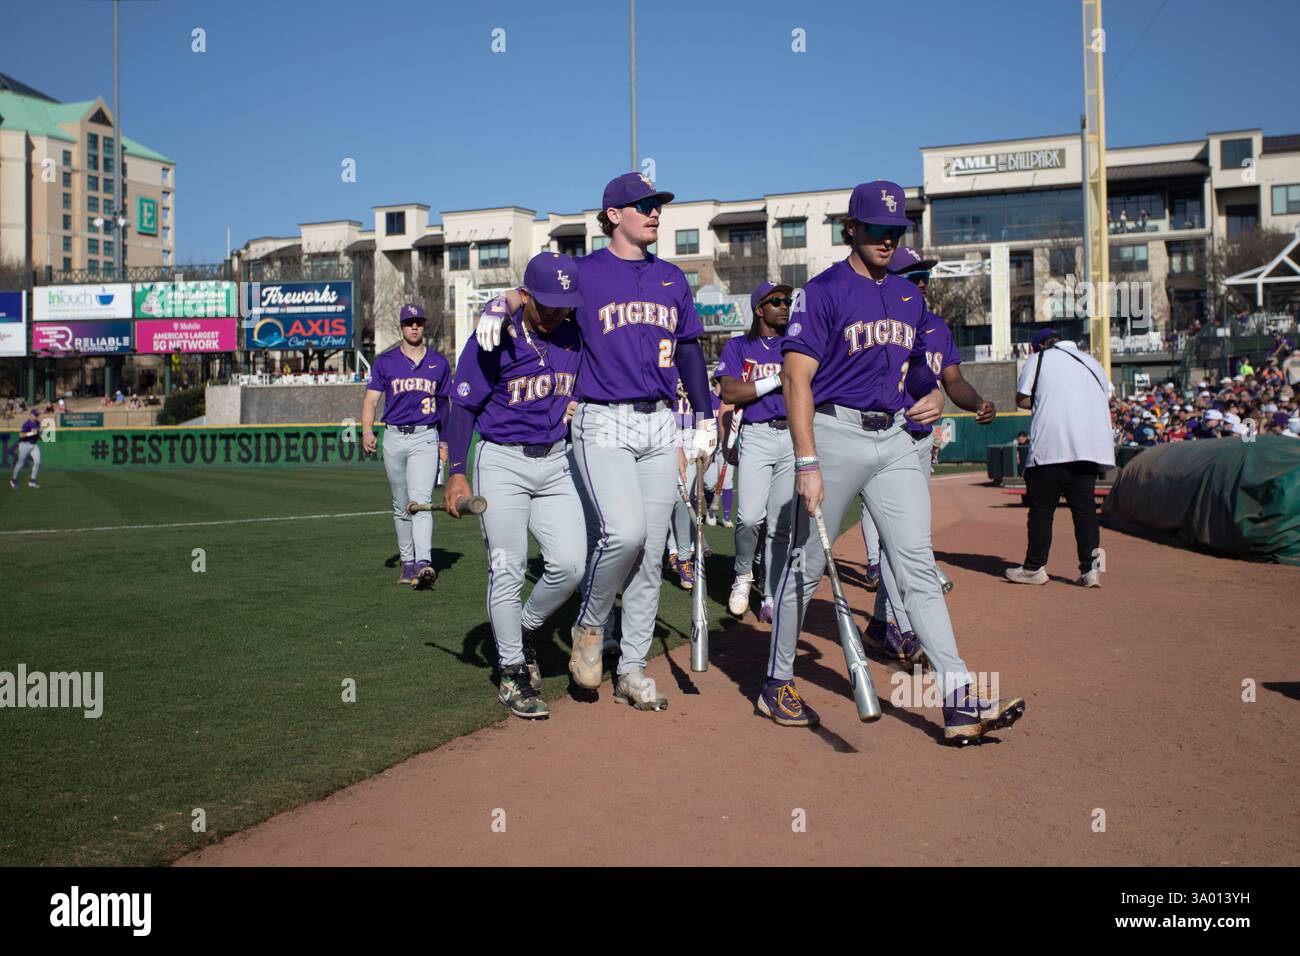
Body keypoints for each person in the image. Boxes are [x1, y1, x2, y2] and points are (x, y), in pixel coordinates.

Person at [769, 180, 1024, 744]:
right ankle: (777, 678)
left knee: (917, 567)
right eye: (878, 229)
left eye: (897, 230)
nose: (888, 239)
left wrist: (931, 393)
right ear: (851, 230)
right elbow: (796, 378)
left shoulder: (910, 298)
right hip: (834, 435)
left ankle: (958, 700)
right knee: (807, 565)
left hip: (896, 441)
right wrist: (807, 461)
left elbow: (921, 370)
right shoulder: (823, 291)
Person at [475, 172, 716, 712]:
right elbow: (538, 291)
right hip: (601, 420)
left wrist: (702, 417)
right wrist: (502, 301)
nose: (655, 213)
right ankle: (590, 622)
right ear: (613, 215)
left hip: (659, 421)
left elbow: (690, 350)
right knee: (624, 533)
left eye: (657, 205)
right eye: (643, 205)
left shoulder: (673, 278)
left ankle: (630, 666)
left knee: (652, 551)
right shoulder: (585, 273)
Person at [444, 253, 587, 720]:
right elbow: (462, 407)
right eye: (546, 303)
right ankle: (511, 672)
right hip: (502, 461)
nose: (556, 312)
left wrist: (498, 299)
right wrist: (456, 472)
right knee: (506, 569)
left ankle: (524, 628)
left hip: (555, 461)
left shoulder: (573, 328)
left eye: (564, 304)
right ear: (525, 296)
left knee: (570, 565)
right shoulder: (494, 337)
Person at [865, 246, 997, 661]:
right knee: (901, 543)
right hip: (886, 439)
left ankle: (880, 623)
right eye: (914, 275)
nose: (922, 282)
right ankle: (904, 628)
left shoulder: (936, 328)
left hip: (921, 442)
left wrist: (976, 402)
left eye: (926, 276)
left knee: (909, 541)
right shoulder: (878, 322)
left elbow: (952, 379)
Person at [1007, 328, 1115, 588]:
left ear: (1042, 345)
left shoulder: (1040, 359)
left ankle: (1034, 568)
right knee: (1086, 511)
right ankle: (1092, 571)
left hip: (1051, 447)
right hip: (1088, 448)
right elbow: (1109, 394)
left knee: (1042, 511)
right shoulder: (1092, 362)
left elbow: (1022, 398)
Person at [714, 281, 795, 622]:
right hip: (757, 435)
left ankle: (772, 591)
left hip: (791, 435)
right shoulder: (738, 346)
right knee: (748, 518)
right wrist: (776, 379)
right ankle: (744, 574)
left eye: (787, 300)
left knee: (780, 526)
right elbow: (730, 391)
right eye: (776, 300)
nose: (784, 305)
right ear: (759, 309)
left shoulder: (796, 344)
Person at [362, 304, 452, 589]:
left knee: (421, 502)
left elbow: (445, 406)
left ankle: (424, 563)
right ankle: (407, 561)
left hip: (425, 436)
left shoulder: (439, 362)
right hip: (394, 437)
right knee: (401, 505)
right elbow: (371, 400)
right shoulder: (385, 362)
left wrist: (445, 441)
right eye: (409, 322)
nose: (414, 327)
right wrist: (367, 431)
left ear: (424, 326)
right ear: (401, 327)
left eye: (419, 322)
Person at [10, 409, 42, 489]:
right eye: (36, 415)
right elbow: (20, 435)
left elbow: (37, 434)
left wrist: (40, 437)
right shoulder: (27, 424)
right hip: (25, 445)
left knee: (37, 462)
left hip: (34, 445)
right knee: (20, 463)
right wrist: (31, 433)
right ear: (31, 415)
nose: (37, 416)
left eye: (38, 415)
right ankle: (13, 480)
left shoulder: (38, 423)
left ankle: (32, 481)